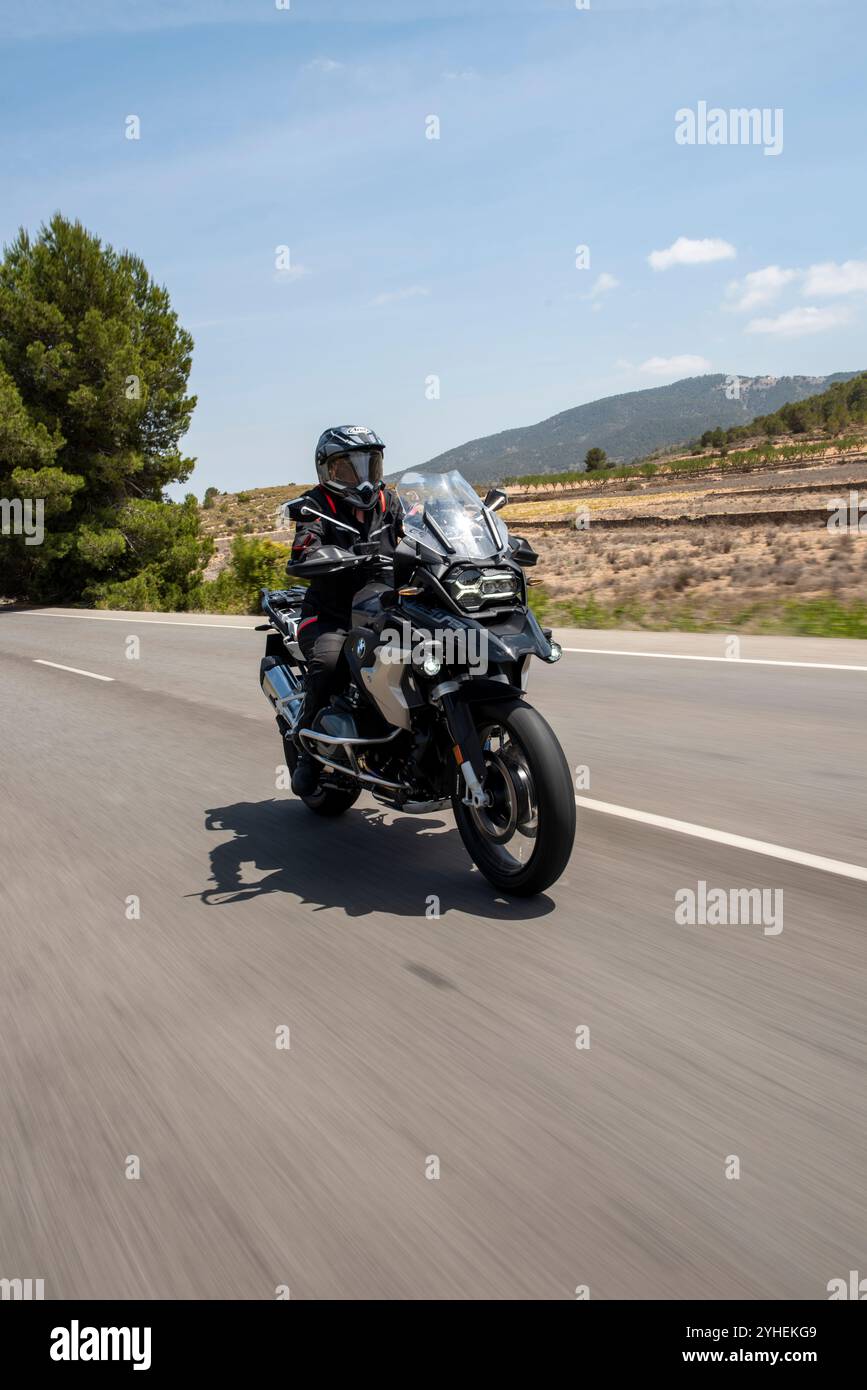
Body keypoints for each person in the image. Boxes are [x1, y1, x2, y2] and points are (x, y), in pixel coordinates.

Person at [285, 426, 404, 796]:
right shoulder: (315, 505)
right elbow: (304, 548)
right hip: (330, 613)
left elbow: (423, 532)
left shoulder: (392, 502)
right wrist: (324, 555)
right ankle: (308, 755)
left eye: (369, 464)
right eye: (349, 468)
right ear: (329, 471)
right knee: (331, 663)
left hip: (386, 607)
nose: (362, 476)